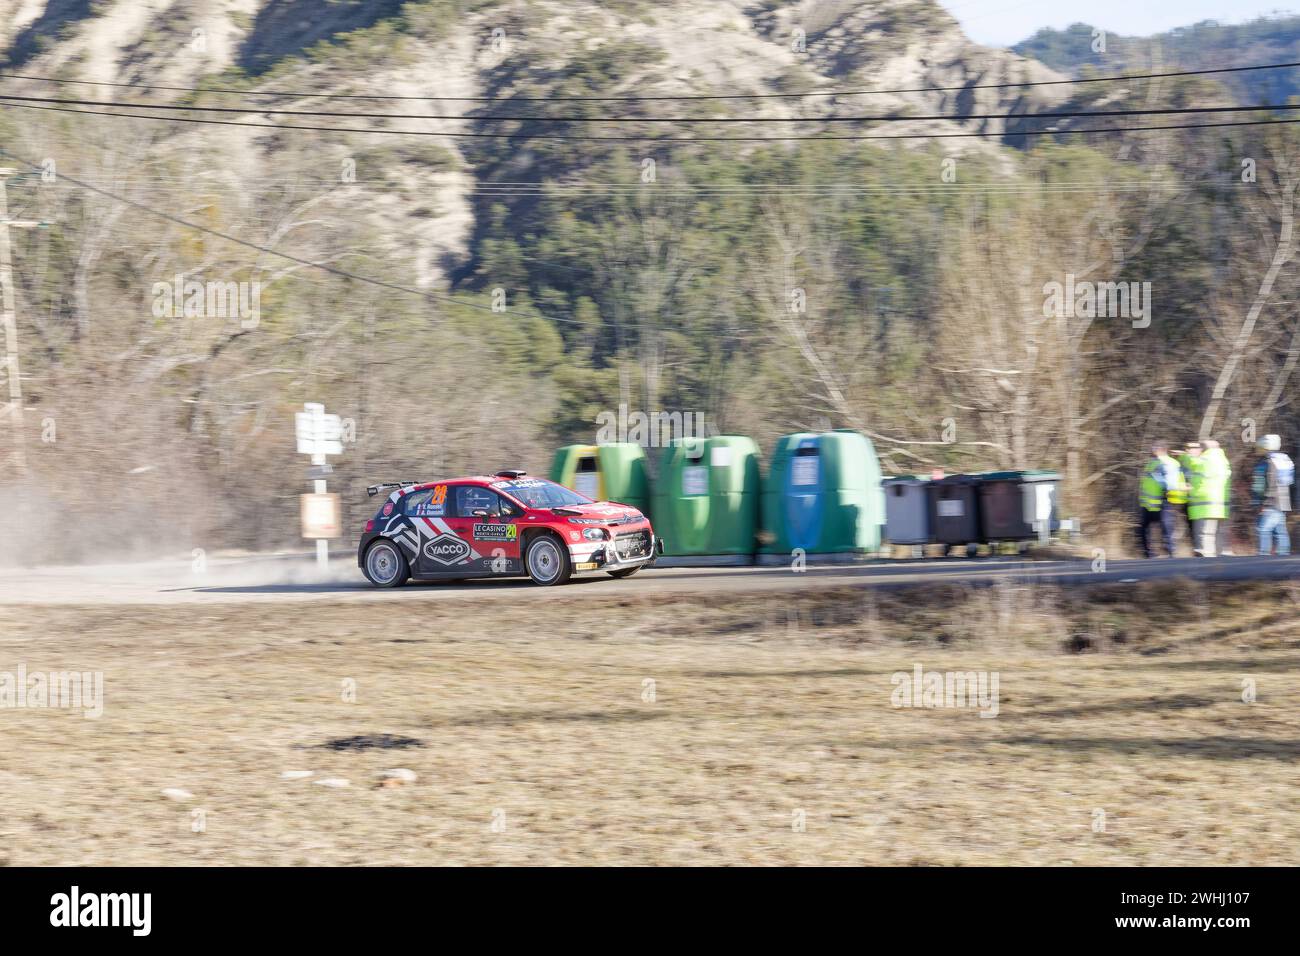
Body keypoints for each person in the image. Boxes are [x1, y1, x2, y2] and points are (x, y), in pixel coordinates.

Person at [1137, 441, 1184, 558]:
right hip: (1148, 503)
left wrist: (1162, 484)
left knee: (1166, 527)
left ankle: (1170, 552)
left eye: (1154, 448)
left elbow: (1171, 483)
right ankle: (1149, 553)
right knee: (1145, 528)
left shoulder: (1169, 463)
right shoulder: (1152, 462)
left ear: (1162, 449)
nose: (1152, 450)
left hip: (1163, 500)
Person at [1252, 434, 1294, 556]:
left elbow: (1260, 486)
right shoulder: (1284, 460)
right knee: (1280, 531)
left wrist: (1261, 503)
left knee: (1263, 529)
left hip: (1270, 503)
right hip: (1283, 502)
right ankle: (1283, 558)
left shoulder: (1266, 463)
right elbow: (1289, 482)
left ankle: (1263, 557)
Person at [1187, 438, 1230, 557]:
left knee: (1205, 533)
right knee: (1218, 533)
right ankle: (1220, 557)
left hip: (1205, 503)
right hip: (1221, 504)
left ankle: (1207, 559)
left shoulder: (1204, 459)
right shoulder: (1224, 460)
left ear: (1203, 449)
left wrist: (1189, 456)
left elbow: (1195, 472)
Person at [1203, 439, 1233, 555]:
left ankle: (1208, 555)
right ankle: (1221, 553)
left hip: (1210, 502)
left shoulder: (1205, 459)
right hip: (1223, 501)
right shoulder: (1224, 460)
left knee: (1208, 531)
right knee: (1221, 530)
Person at [1175, 442, 1198, 549]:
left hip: (1196, 499)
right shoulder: (1186, 459)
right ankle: (1195, 548)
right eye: (1191, 448)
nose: (1195, 449)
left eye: (1197, 447)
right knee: (1192, 525)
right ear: (1187, 450)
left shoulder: (1186, 459)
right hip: (1189, 499)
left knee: (1193, 526)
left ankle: (1195, 548)